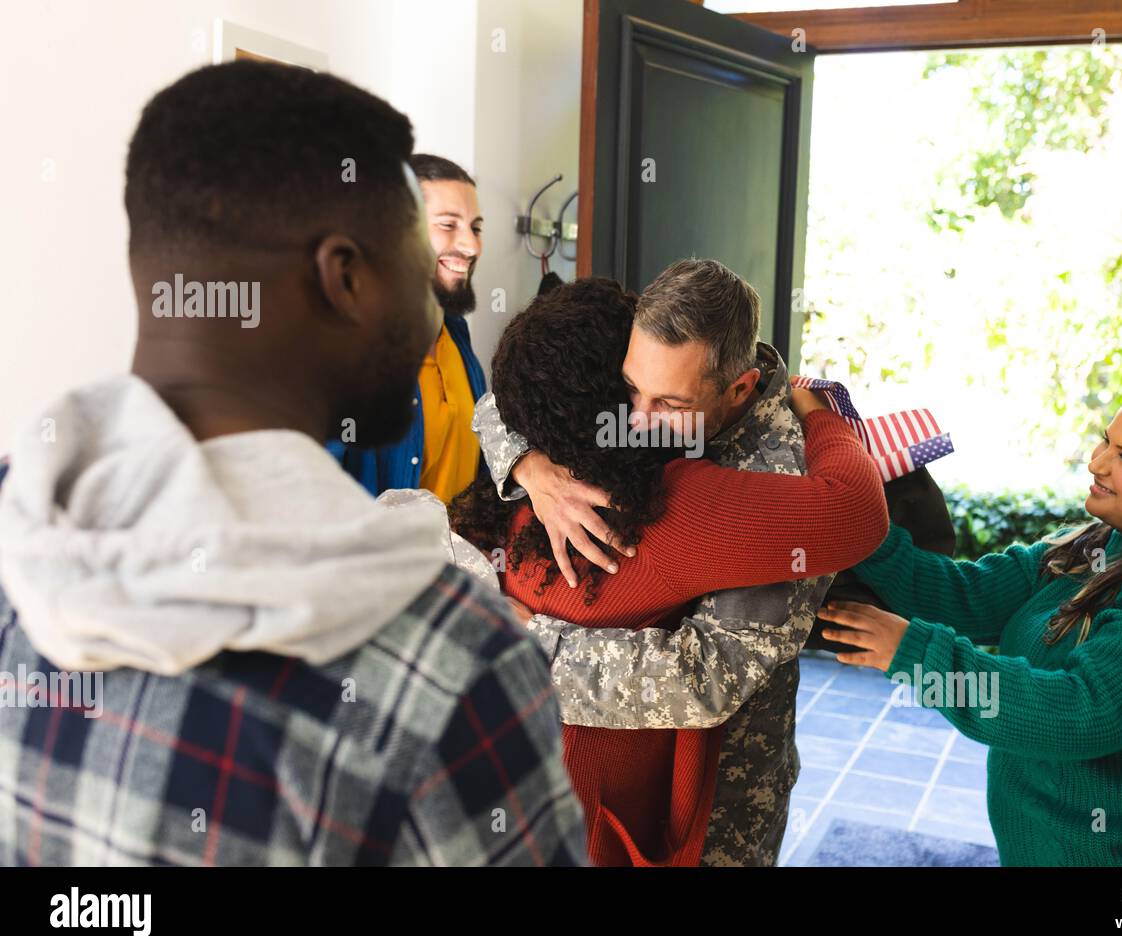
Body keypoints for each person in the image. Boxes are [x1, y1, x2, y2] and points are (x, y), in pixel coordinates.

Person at [0, 60, 585, 866]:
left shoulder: (18, 525)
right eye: (418, 263)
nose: (432, 309)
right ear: (344, 278)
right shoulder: (451, 669)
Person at [451, 277, 888, 864]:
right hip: (624, 780)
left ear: (740, 388)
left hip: (727, 794)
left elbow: (704, 680)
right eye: (630, 389)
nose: (636, 419)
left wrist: (516, 645)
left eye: (670, 406)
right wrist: (531, 466)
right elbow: (512, 393)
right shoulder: (654, 352)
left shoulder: (774, 479)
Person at [819, 381, 1122, 866]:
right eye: (1106, 440)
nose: (1096, 462)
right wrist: (859, 523)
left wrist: (918, 653)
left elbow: (1077, 711)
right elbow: (967, 597)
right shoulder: (1097, 546)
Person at [328, 154, 488, 501]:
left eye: (476, 228)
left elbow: (485, 466)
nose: (471, 245)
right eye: (448, 225)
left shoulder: (455, 335)